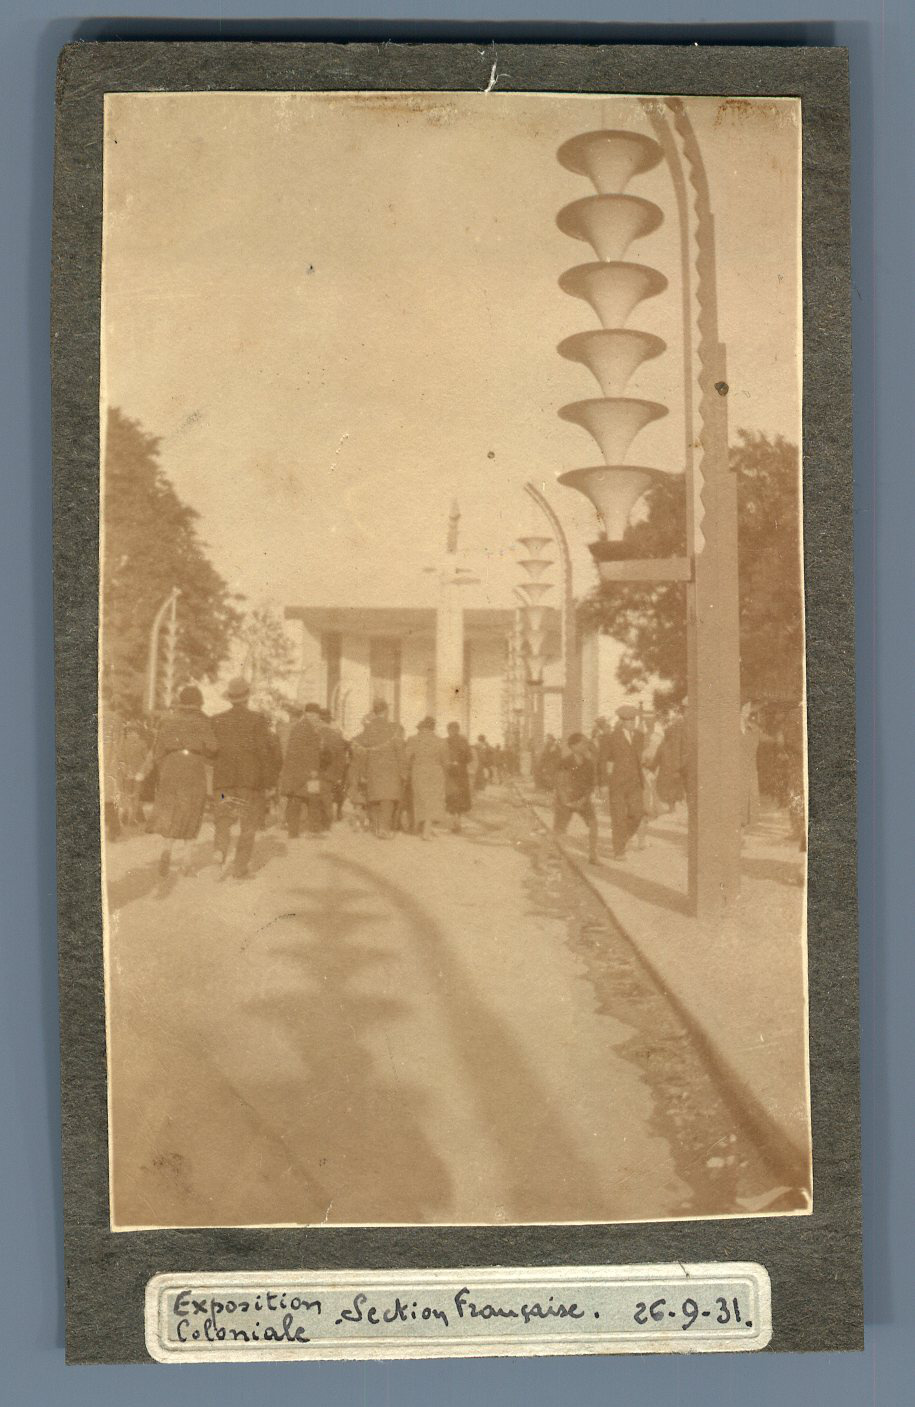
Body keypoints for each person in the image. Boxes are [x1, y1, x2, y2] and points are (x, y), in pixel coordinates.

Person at [211, 676, 282, 878]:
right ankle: (240, 867)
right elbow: (264, 753)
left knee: (223, 819)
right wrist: (269, 781)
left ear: (230, 699)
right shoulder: (258, 720)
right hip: (249, 784)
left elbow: (211, 751)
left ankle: (220, 850)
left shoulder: (216, 720)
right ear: (247, 698)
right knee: (248, 824)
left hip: (223, 784)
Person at [150, 685, 217, 877]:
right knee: (192, 811)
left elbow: (157, 752)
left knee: (172, 811)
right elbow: (213, 747)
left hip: (171, 766)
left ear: (181, 702)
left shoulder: (167, 720)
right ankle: (187, 863)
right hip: (193, 766)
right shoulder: (203, 720)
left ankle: (166, 849)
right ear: (199, 702)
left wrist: (165, 769)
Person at [349, 699, 405, 838]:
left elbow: (355, 743)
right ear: (386, 712)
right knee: (388, 799)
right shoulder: (394, 728)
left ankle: (376, 826)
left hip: (373, 769)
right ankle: (384, 829)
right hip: (391, 770)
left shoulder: (369, 728)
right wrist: (404, 771)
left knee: (374, 798)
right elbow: (399, 751)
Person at [553, 732, 599, 865]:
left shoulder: (589, 763)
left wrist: (583, 800)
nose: (586, 745)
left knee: (593, 824)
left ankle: (593, 856)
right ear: (573, 746)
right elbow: (560, 784)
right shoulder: (565, 762)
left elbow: (591, 785)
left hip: (582, 800)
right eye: (582, 743)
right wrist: (566, 801)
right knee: (559, 829)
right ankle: (551, 856)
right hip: (565, 801)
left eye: (586, 743)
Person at [605, 704, 644, 860]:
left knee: (637, 814)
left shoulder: (640, 737)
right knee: (619, 817)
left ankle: (623, 838)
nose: (632, 723)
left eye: (633, 720)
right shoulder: (612, 737)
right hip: (618, 783)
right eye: (628, 720)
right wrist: (602, 783)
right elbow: (604, 760)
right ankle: (619, 851)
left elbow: (640, 757)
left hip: (635, 783)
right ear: (621, 721)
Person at [279, 703, 324, 838]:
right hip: (308, 772)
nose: (318, 718)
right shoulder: (306, 728)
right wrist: (312, 769)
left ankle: (293, 832)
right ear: (311, 714)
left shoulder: (301, 727)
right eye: (316, 715)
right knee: (312, 800)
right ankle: (312, 831)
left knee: (297, 799)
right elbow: (308, 752)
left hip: (299, 772)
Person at [404, 716, 448, 840]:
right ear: (433, 727)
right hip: (435, 772)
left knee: (420, 799)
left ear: (422, 727)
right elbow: (445, 761)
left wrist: (410, 767)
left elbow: (406, 758)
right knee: (433, 800)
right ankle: (427, 830)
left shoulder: (413, 739)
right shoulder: (441, 741)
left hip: (418, 771)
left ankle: (421, 828)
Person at [634, 709, 663, 849]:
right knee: (643, 806)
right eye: (646, 720)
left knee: (650, 807)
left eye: (651, 720)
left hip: (654, 773)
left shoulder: (659, 736)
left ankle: (641, 839)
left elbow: (661, 755)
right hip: (642, 773)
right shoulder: (640, 737)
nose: (648, 723)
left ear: (655, 721)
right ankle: (640, 840)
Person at [655, 705, 688, 811]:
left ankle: (673, 804)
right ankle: (672, 805)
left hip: (674, 756)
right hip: (670, 757)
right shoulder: (672, 725)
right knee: (670, 784)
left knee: (673, 783)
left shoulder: (678, 723)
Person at [319, 707, 348, 824]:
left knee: (314, 794)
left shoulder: (312, 733)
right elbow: (341, 758)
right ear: (329, 720)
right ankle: (327, 820)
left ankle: (315, 821)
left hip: (314, 773)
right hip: (330, 773)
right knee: (328, 795)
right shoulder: (336, 736)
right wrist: (340, 775)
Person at [444, 721, 473, 832]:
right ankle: (456, 822)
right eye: (451, 730)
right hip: (459, 773)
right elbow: (470, 757)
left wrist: (457, 761)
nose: (451, 732)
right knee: (457, 797)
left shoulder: (446, 741)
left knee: (454, 797)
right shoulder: (463, 741)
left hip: (455, 773)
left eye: (452, 729)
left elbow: (469, 757)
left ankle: (456, 822)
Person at [740, 702, 762, 830]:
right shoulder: (729, 728)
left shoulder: (752, 728)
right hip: (735, 771)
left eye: (749, 710)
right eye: (746, 709)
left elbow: (763, 738)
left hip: (748, 770)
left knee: (747, 801)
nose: (748, 713)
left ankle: (741, 833)